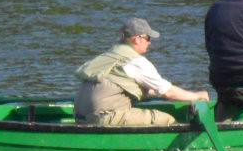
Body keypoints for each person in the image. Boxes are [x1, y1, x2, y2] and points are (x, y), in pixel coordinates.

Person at [74, 19, 210, 127]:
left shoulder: (109, 56)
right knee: (166, 119)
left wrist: (152, 93)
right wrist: (196, 96)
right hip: (103, 119)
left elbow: (119, 87)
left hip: (81, 118)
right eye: (148, 38)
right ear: (137, 39)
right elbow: (168, 92)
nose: (150, 43)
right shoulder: (135, 62)